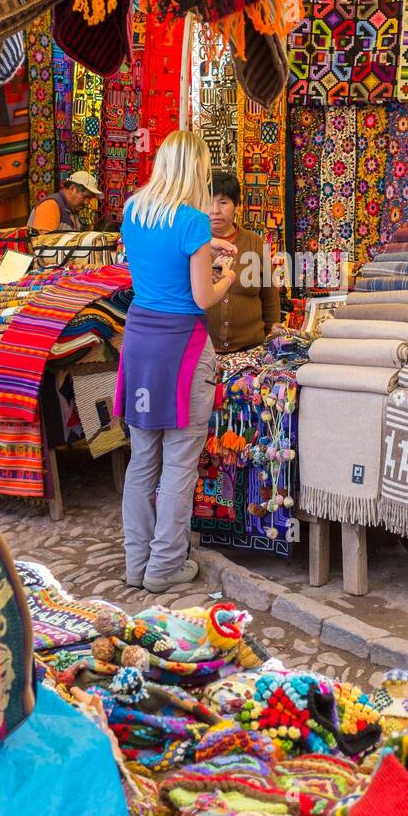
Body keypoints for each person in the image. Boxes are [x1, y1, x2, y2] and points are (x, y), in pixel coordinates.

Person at [118, 131, 237, 592]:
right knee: (179, 463)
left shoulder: (135, 209)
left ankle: (136, 562)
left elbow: (159, 264)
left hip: (141, 338)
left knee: (143, 458)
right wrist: (226, 274)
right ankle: (165, 565)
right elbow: (201, 296)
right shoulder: (192, 222)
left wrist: (209, 250)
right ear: (196, 170)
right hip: (182, 345)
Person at [207, 171, 282, 353]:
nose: (215, 210)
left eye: (223, 202)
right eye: (208, 202)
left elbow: (269, 295)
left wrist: (272, 336)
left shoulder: (255, 244)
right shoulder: (191, 245)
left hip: (251, 348)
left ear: (237, 207)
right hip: (203, 351)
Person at [27, 171, 102, 230]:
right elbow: (42, 244)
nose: (87, 202)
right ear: (72, 188)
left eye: (90, 199)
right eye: (86, 197)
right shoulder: (51, 206)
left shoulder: (72, 212)